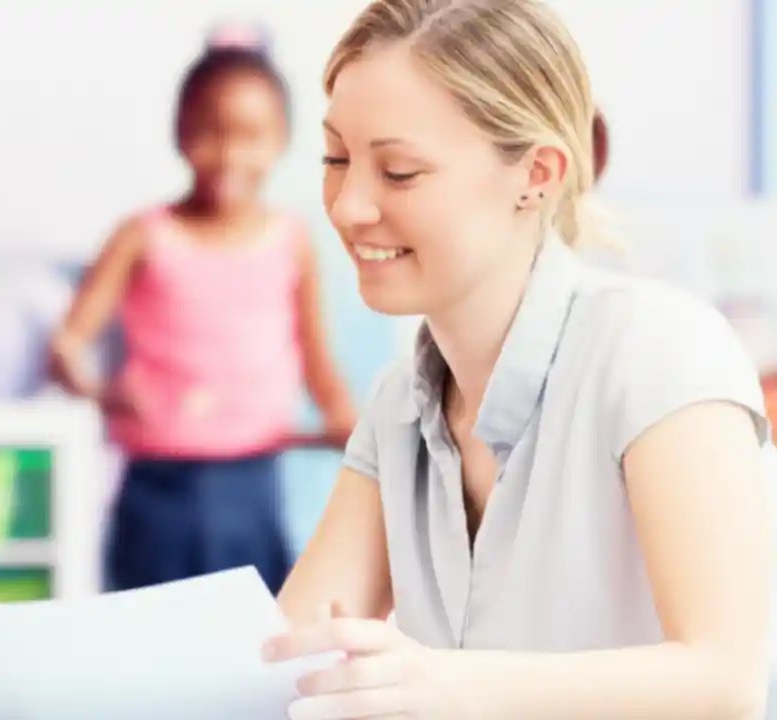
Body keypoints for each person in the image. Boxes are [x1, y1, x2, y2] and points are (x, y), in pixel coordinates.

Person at [261, 1, 772, 718]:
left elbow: (728, 683)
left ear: (537, 174)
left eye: (399, 172)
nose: (348, 207)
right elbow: (288, 655)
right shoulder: (399, 403)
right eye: (336, 160)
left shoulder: (659, 351)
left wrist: (442, 685)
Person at [49, 27, 356, 596]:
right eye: (209, 131)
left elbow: (318, 361)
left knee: (251, 650)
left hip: (253, 488)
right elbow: (68, 345)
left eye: (251, 135)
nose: (230, 153)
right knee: (147, 645)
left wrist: (354, 429)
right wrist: (100, 390)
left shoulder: (292, 239)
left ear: (284, 139)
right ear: (179, 133)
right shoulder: (143, 235)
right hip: (155, 490)